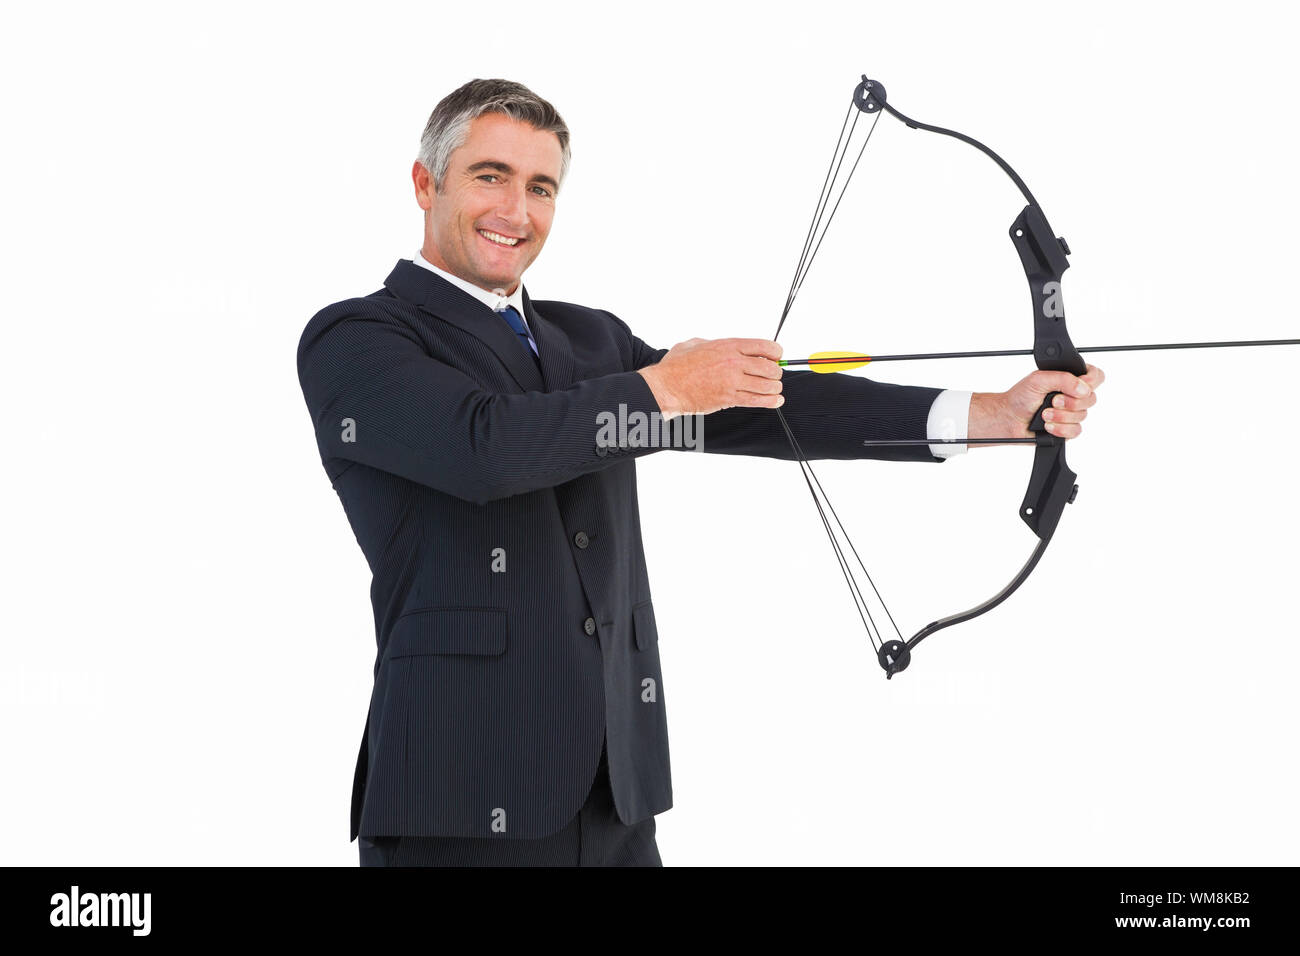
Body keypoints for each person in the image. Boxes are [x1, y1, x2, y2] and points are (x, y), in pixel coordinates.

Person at [295, 78, 1104, 867]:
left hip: (616, 791)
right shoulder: (357, 338)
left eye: (541, 187)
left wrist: (991, 415)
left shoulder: (590, 339)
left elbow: (761, 408)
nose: (517, 210)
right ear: (425, 183)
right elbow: (486, 448)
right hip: (455, 795)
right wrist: (665, 388)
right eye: (490, 176)